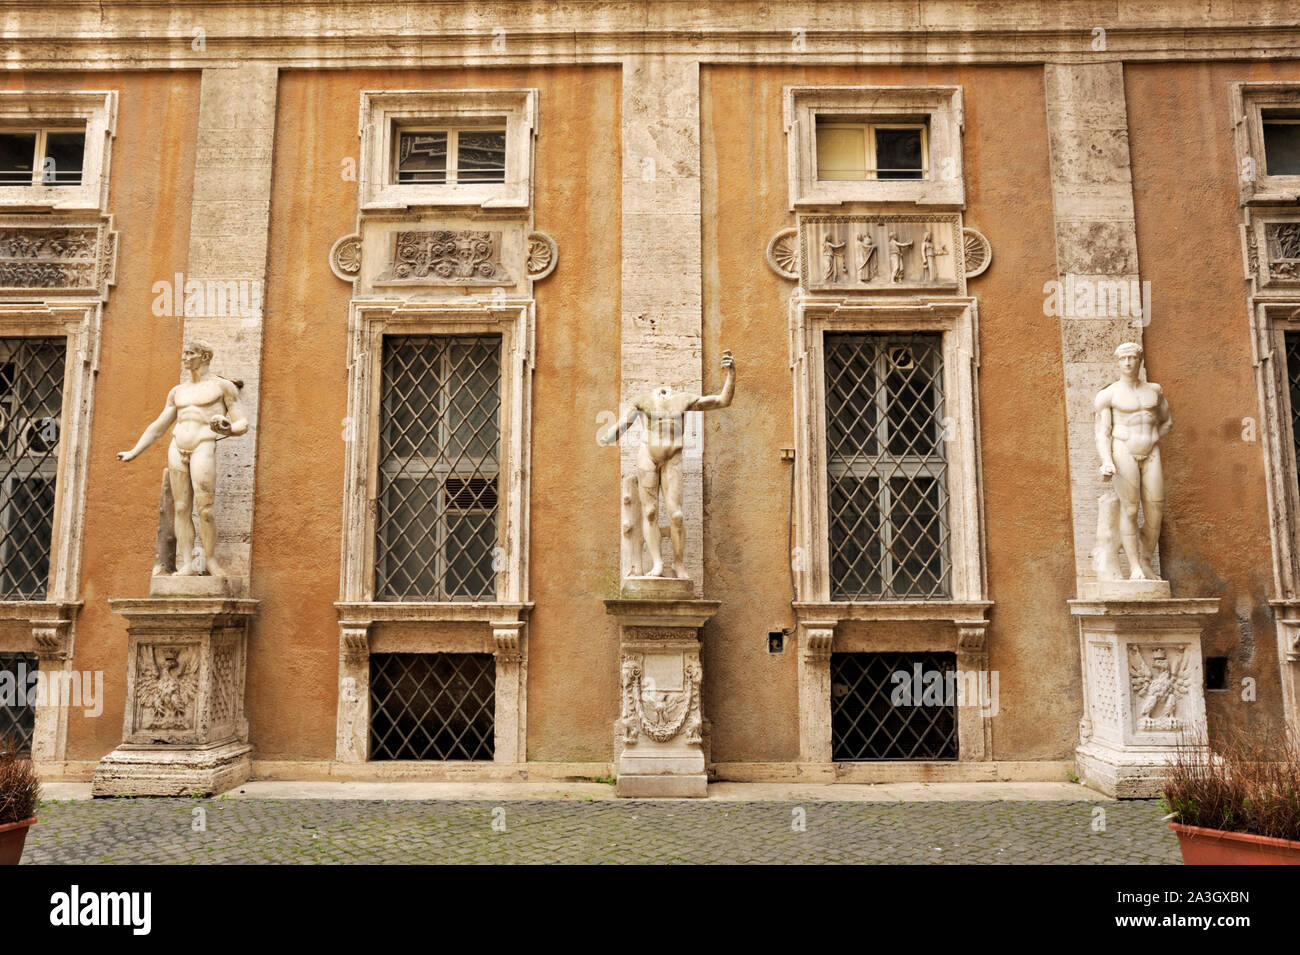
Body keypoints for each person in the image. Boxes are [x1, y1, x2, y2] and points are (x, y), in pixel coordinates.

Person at [599, 351, 736, 578]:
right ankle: (657, 564)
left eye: (665, 391)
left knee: (677, 515)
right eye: (659, 392)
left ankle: (679, 564)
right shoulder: (642, 401)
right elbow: (623, 424)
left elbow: (723, 401)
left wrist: (731, 374)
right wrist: (606, 437)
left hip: (673, 457)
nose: (662, 393)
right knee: (650, 512)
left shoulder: (683, 399)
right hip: (647, 456)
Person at [118, 340, 248, 576]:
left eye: (190, 354)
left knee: (205, 509)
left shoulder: (222, 387)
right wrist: (134, 451)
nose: (185, 358)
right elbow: (159, 426)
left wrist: (228, 428)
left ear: (205, 357)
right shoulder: (178, 392)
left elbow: (242, 423)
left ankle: (210, 560)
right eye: (185, 353)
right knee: (180, 508)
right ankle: (187, 563)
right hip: (178, 446)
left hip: (203, 445)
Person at [1095, 342, 1170, 580]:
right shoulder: (1109, 395)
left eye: (1132, 358)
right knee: (1130, 509)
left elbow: (1167, 421)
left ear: (1140, 361)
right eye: (1123, 358)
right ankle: (1135, 565)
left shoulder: (1154, 391)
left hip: (1151, 451)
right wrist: (1106, 460)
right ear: (1118, 362)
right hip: (1123, 449)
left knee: (1156, 510)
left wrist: (1152, 437)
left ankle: (1146, 560)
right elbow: (1102, 432)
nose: (1127, 363)